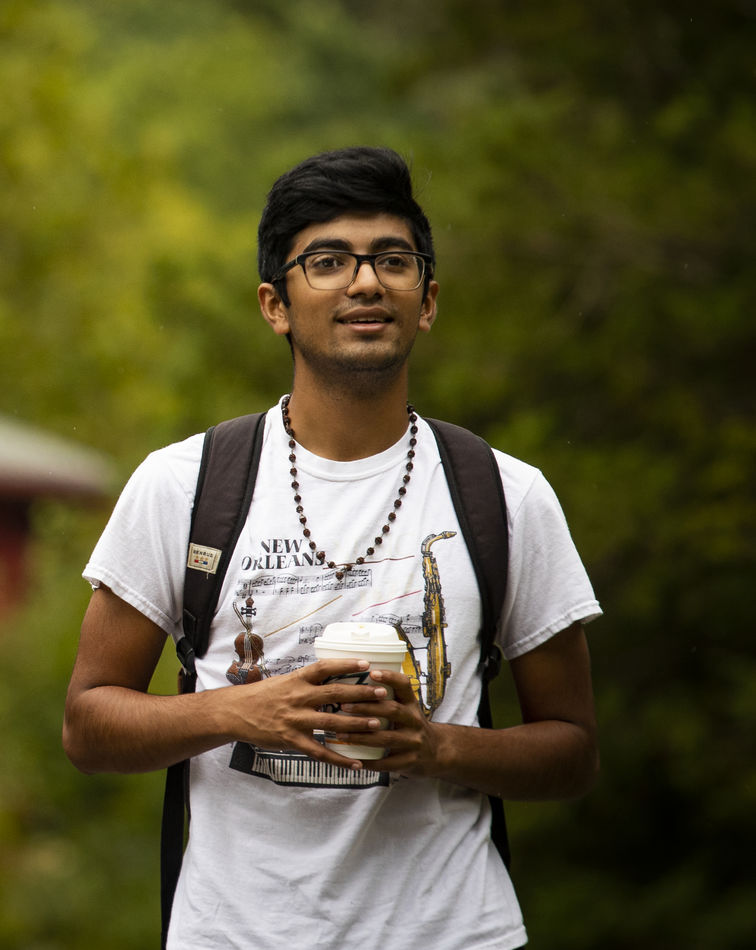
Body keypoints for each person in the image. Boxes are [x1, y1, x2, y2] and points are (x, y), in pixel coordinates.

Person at [62, 146, 599, 948]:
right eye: (328, 261)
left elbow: (574, 751)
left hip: (455, 931)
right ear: (276, 305)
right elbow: (87, 725)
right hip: (236, 932)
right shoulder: (184, 485)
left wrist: (437, 745)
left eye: (393, 259)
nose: (365, 282)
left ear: (427, 300)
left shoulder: (505, 495)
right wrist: (247, 709)